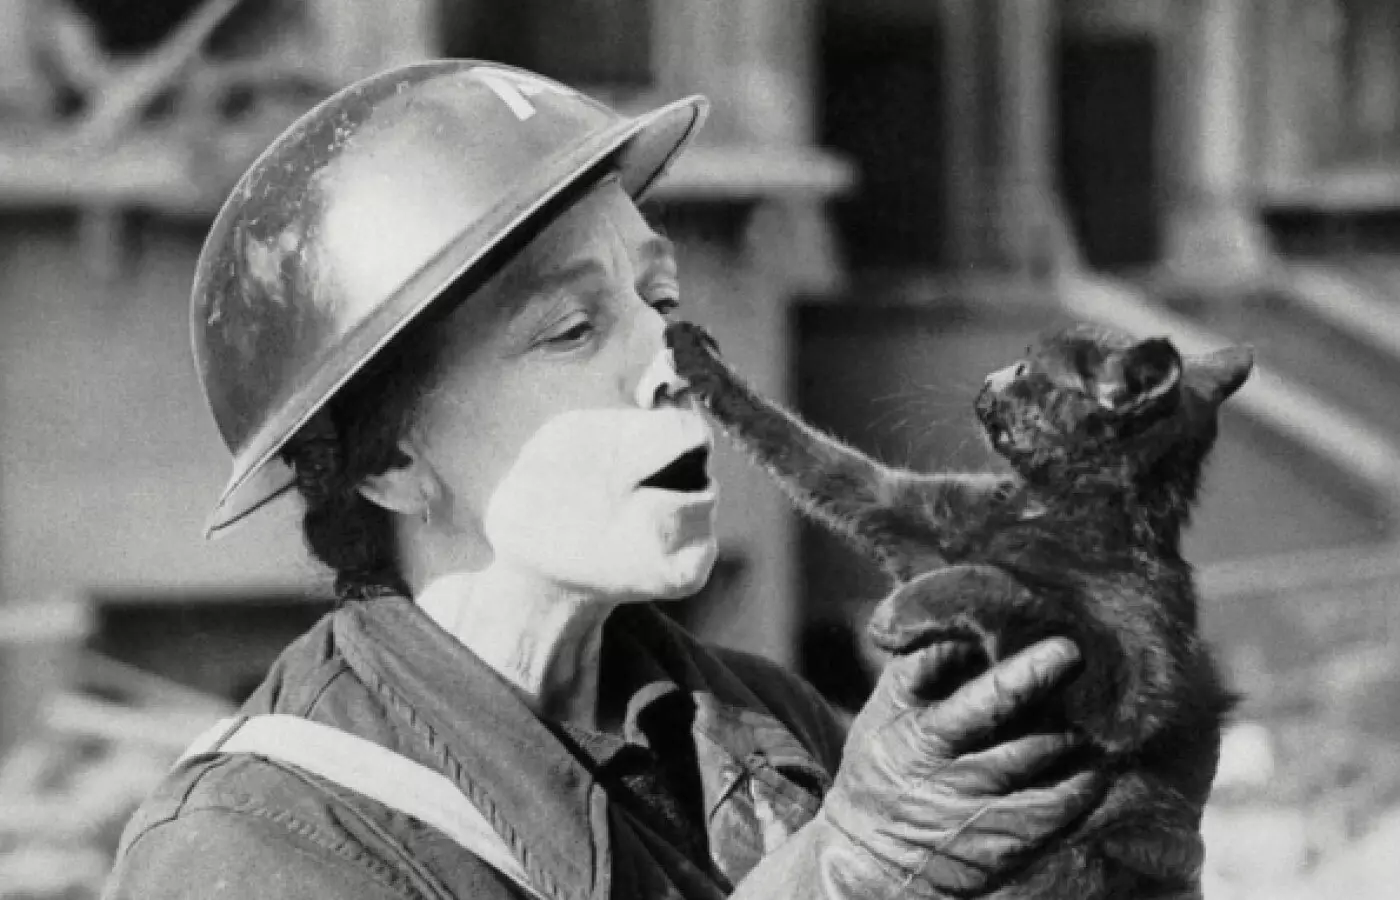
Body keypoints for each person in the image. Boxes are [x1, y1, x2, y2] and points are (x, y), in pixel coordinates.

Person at [102, 60, 1103, 899]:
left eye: (660, 295)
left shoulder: (759, 725)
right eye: (572, 329)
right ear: (391, 460)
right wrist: (835, 875)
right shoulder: (260, 849)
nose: (675, 357)